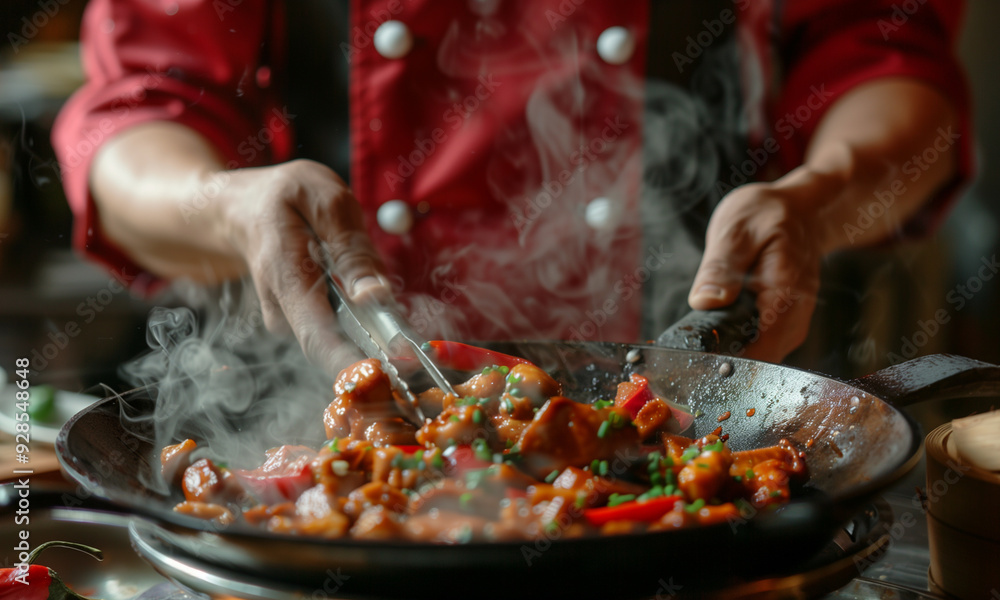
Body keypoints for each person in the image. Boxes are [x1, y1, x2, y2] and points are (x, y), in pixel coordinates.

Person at [52, 0, 971, 375]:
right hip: (324, 412)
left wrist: (818, 199)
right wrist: (228, 208)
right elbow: (137, 113)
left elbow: (883, 55)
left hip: (705, 400)